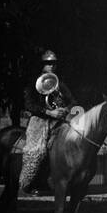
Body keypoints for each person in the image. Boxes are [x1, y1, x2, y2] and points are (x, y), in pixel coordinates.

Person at [19, 50, 75, 192]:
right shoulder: (34, 83)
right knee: (38, 150)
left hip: (60, 120)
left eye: (54, 63)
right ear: (42, 65)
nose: (52, 66)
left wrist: (66, 110)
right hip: (40, 120)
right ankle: (30, 182)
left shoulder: (59, 84)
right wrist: (50, 112)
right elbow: (29, 104)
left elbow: (73, 101)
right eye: (48, 63)